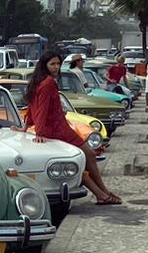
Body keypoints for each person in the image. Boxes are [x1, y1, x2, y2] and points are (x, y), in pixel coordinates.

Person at [24, 48, 121, 205]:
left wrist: (27, 126)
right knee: (88, 155)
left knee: (81, 159)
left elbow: (32, 107)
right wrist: (39, 131)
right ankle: (103, 192)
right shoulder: (48, 83)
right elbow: (41, 108)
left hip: (54, 128)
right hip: (57, 129)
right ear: (45, 65)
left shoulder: (38, 81)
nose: (56, 67)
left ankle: (102, 193)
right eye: (52, 64)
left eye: (58, 64)